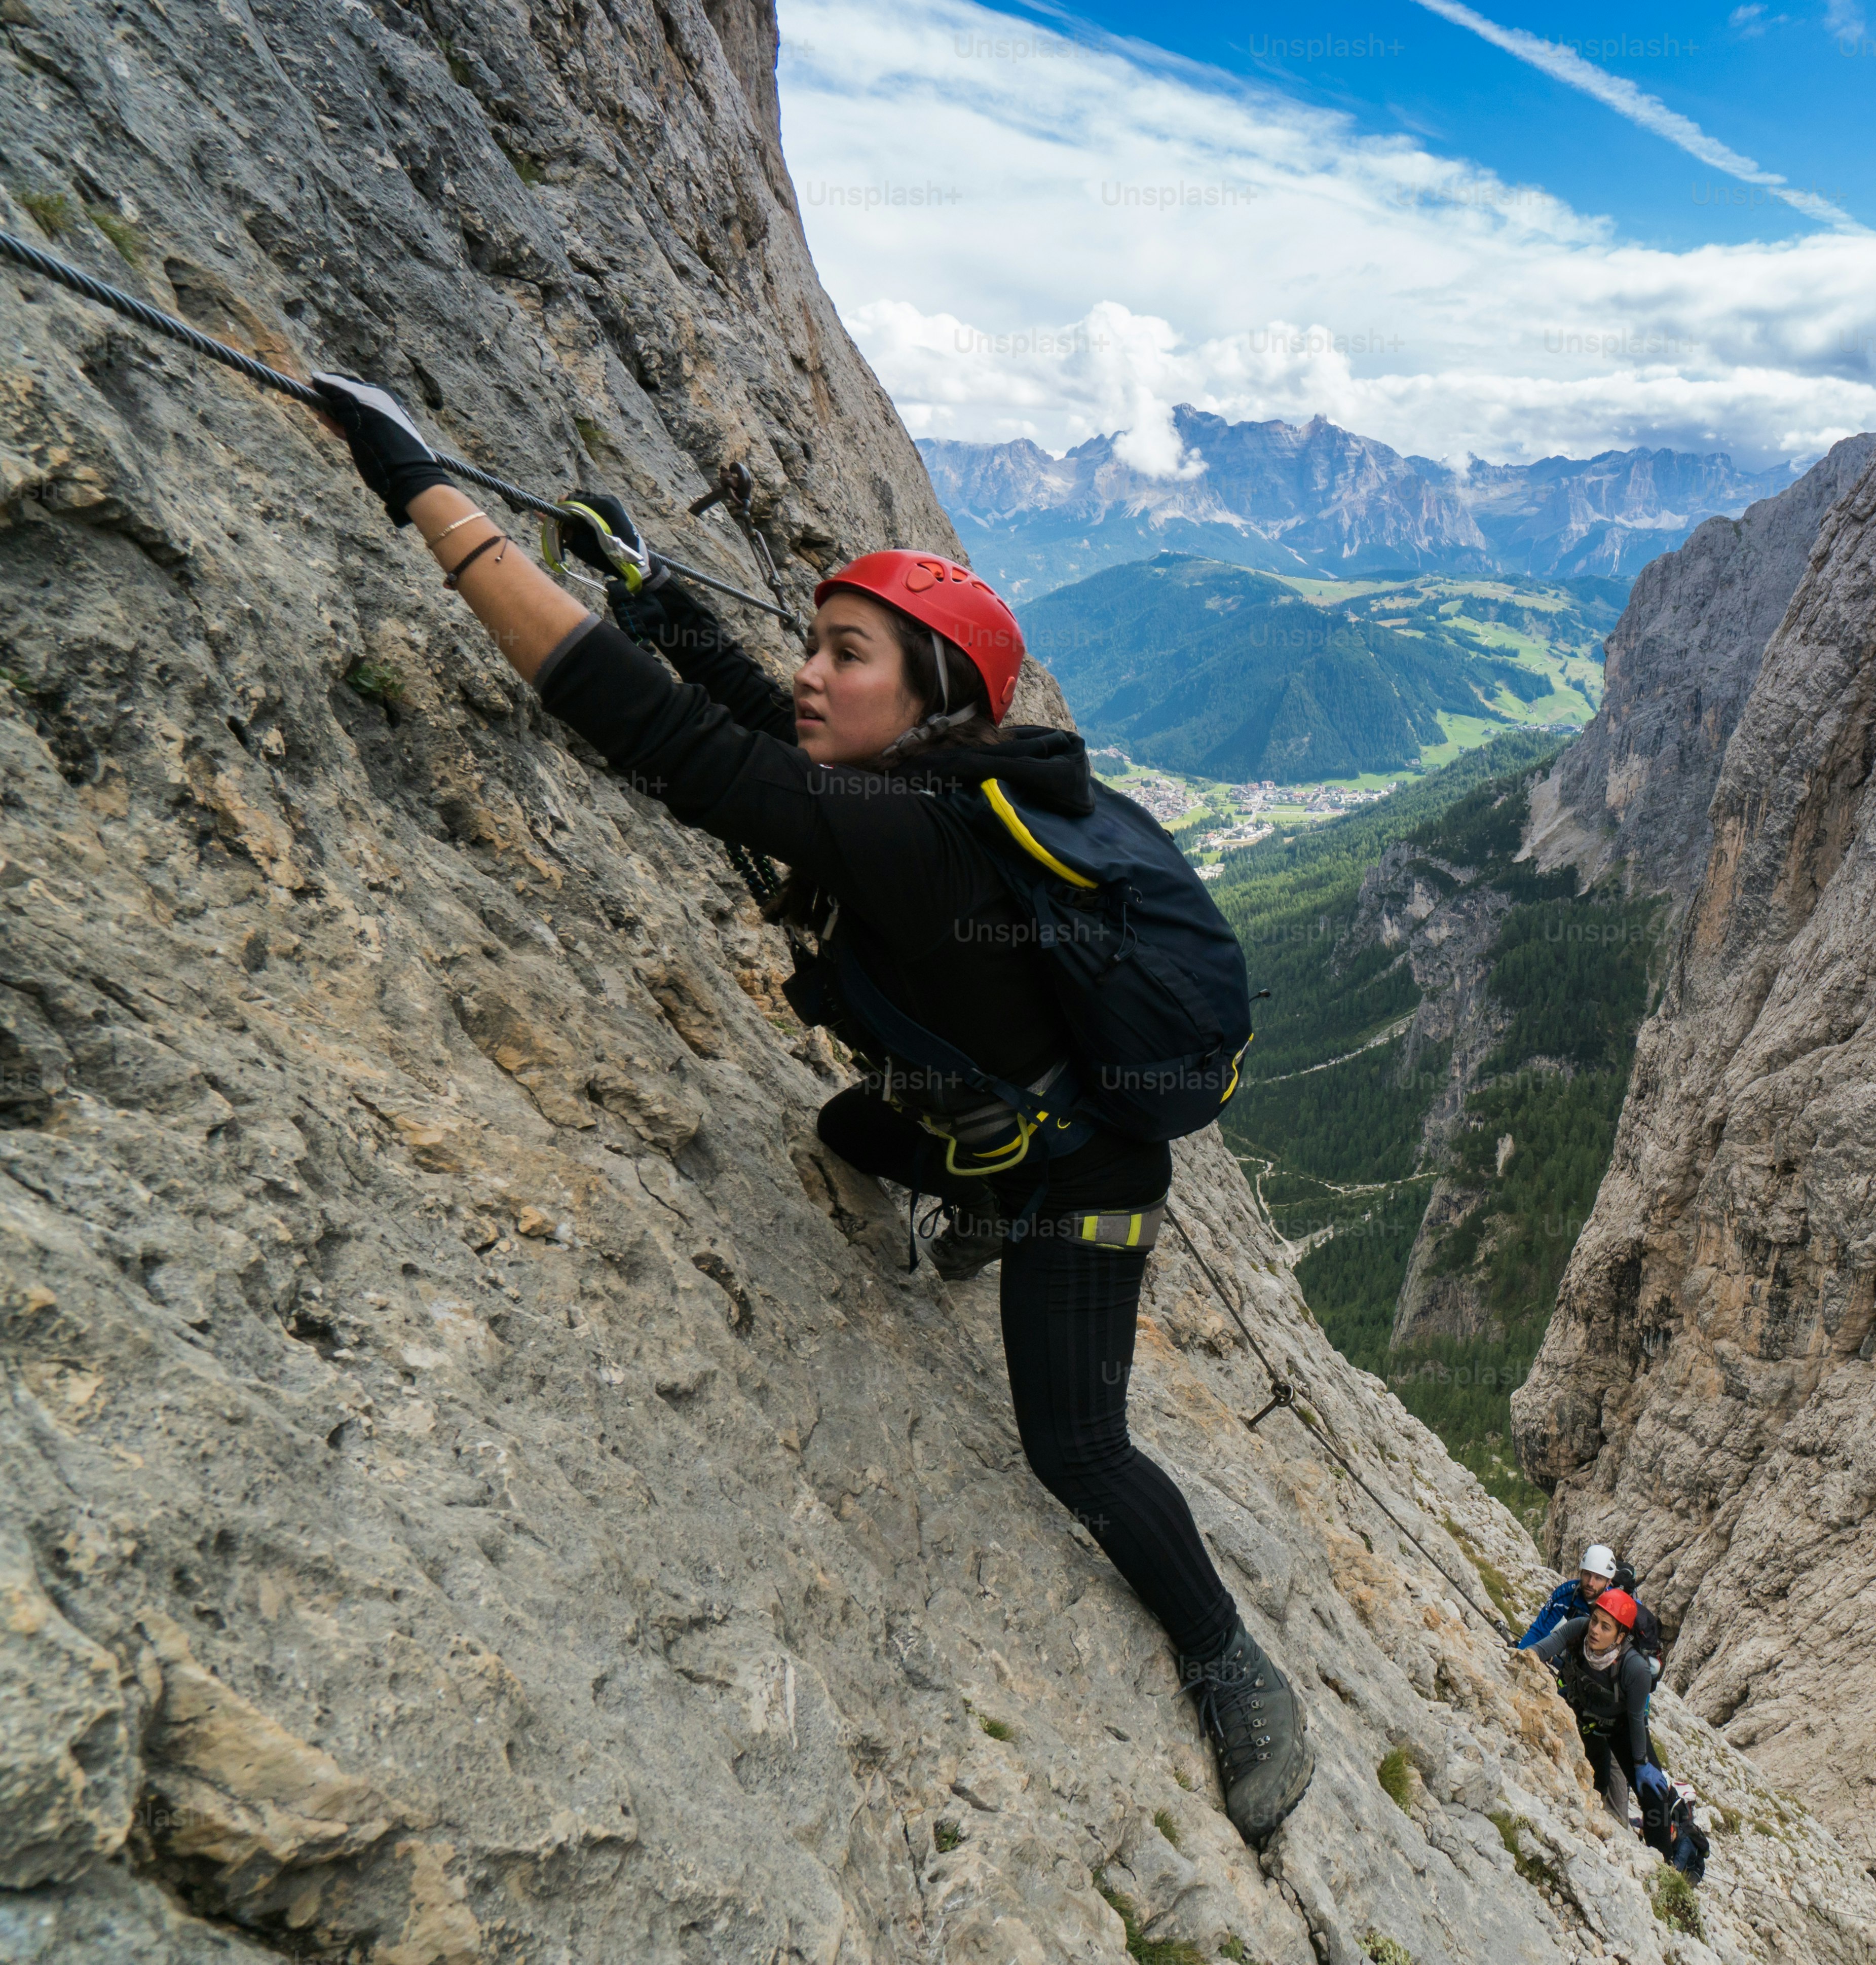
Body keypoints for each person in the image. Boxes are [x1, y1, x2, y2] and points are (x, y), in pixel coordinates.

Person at [306, 374, 1316, 1845]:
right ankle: (967, 1198)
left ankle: (1232, 1655)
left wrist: (430, 496)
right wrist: (648, 586)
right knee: (849, 1136)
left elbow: (685, 753)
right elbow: (758, 731)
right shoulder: (914, 786)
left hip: (1083, 1176)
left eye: (847, 654)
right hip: (992, 1122)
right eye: (814, 644)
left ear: (932, 699)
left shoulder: (914, 833)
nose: (809, 671)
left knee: (1073, 1450)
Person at [1526, 1586, 1658, 1828]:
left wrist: (1641, 1763)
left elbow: (1637, 1717)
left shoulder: (1635, 1668)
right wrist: (1521, 1656)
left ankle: (1635, 1832)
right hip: (1583, 1714)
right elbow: (1543, 1648)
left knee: (1645, 1791)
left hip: (1617, 1727)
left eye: (1605, 1627)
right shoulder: (1579, 1629)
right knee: (1599, 1773)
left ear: (1620, 1637)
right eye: (1594, 1621)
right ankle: (1600, 1814)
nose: (1595, 1630)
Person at [1515, 1542, 1623, 1650]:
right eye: (1587, 1574)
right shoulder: (1566, 1593)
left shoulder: (1616, 1606)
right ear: (1581, 1573)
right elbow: (1539, 1630)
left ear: (1608, 1583)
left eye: (1598, 1578)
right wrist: (1520, 1652)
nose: (1591, 1583)